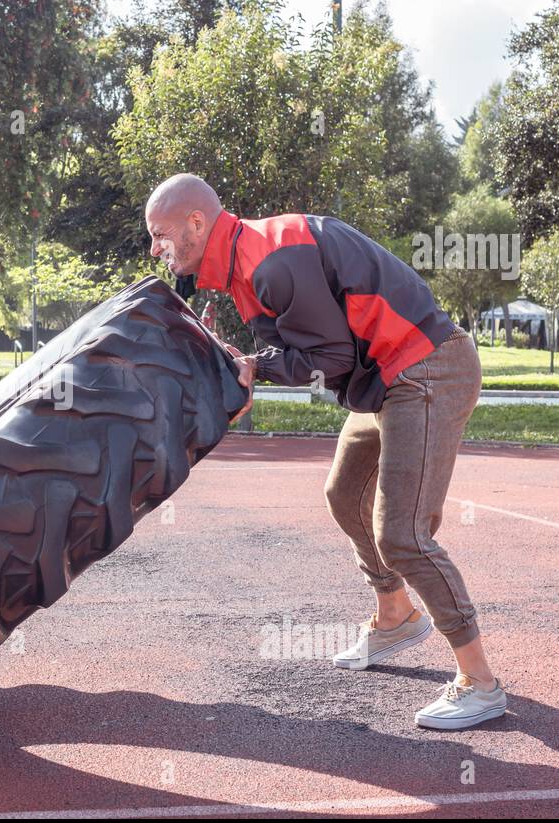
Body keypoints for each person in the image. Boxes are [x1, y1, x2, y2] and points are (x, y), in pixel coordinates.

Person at [144, 172, 506, 730]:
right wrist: (250, 364)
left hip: (425, 369)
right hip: (386, 378)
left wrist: (256, 368)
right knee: (343, 494)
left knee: (402, 535)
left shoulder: (268, 262)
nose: (155, 248)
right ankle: (395, 614)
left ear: (198, 222)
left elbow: (328, 359)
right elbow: (313, 344)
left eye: (161, 235)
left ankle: (479, 683)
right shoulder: (249, 260)